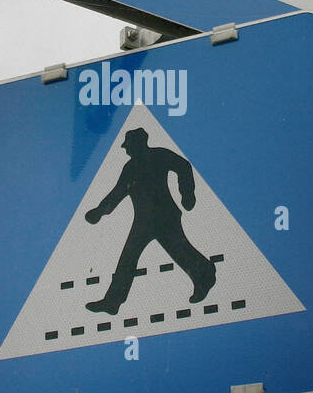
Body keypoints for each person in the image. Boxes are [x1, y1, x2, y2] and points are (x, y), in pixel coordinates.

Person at [83, 127, 216, 315]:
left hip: (165, 216)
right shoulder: (129, 168)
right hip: (144, 220)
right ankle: (113, 302)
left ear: (138, 144)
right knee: (129, 258)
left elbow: (183, 166)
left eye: (128, 146)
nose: (126, 150)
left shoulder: (159, 155)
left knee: (179, 251)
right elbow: (117, 193)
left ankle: (205, 275)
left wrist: (187, 194)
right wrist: (99, 212)